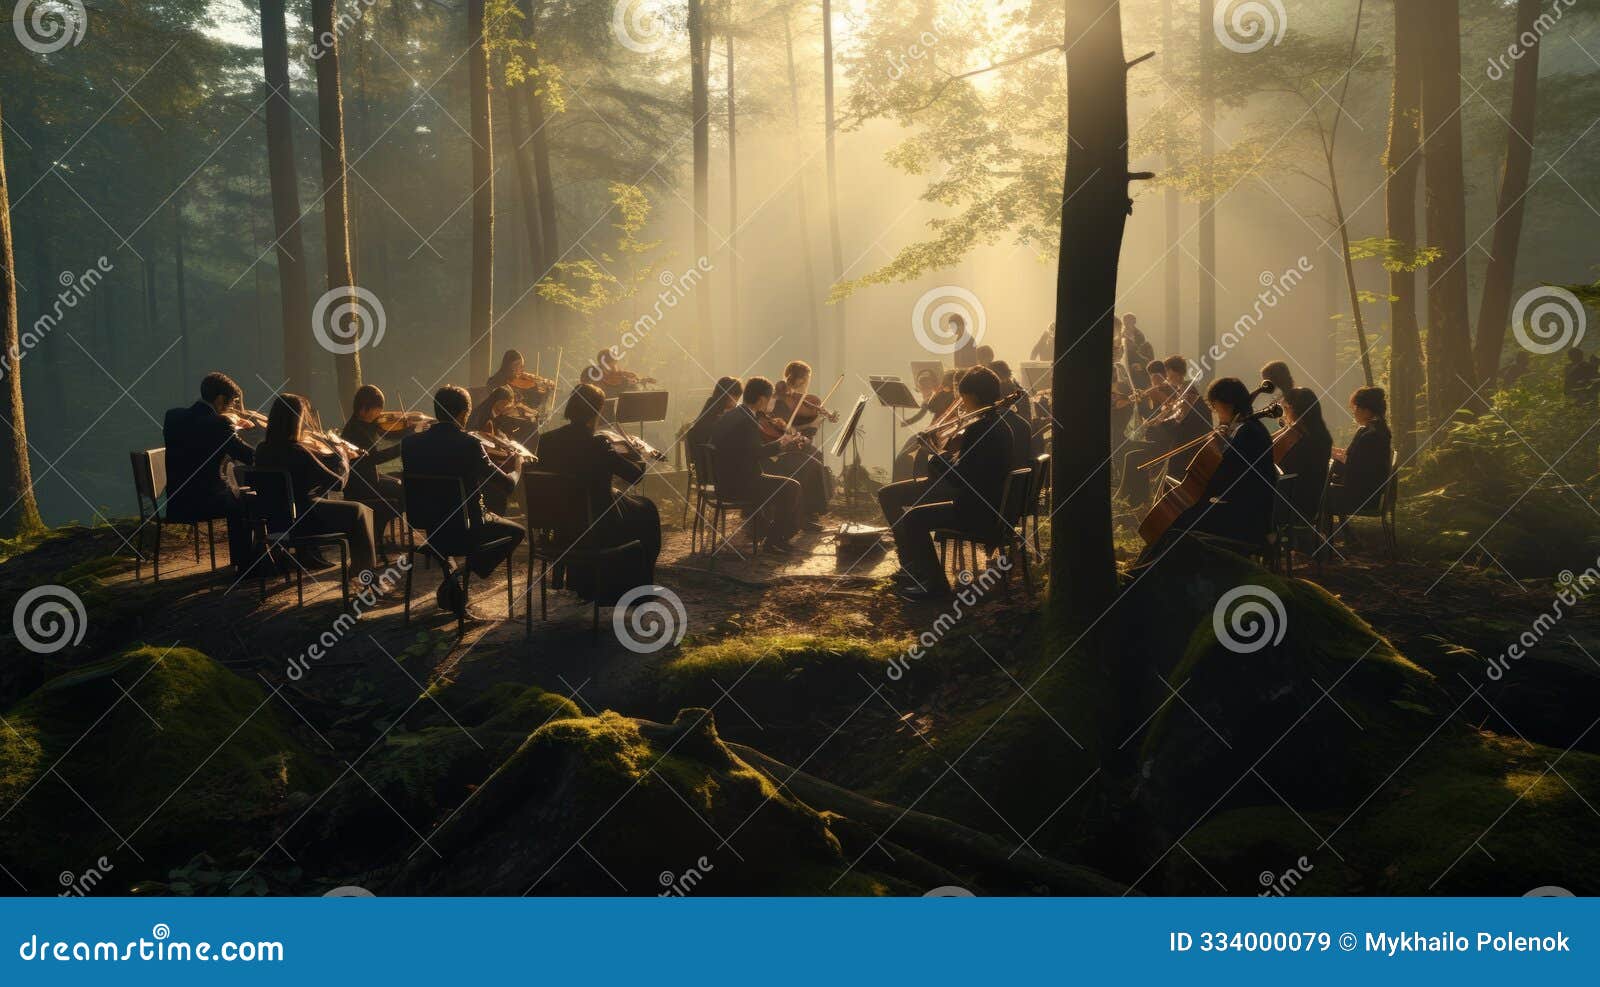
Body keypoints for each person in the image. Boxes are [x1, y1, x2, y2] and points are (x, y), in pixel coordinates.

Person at [890, 366, 1014, 602]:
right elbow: (970, 467)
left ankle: (934, 584)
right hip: (992, 505)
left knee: (913, 518)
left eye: (963, 397)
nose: (962, 404)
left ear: (973, 397)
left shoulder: (979, 429)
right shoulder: (999, 424)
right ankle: (921, 573)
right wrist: (947, 457)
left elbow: (959, 478)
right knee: (913, 513)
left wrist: (934, 454)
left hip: (976, 510)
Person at [401, 386, 526, 617]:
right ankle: (462, 574)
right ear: (462, 413)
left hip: (431, 529)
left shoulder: (410, 444)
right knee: (517, 532)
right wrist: (517, 465)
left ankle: (453, 579)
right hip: (467, 530)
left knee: (454, 524)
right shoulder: (469, 444)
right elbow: (507, 486)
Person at [537, 383, 662, 603]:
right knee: (647, 509)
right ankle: (634, 590)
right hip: (596, 523)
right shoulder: (598, 442)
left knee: (625, 504)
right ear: (596, 410)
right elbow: (634, 476)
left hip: (561, 527)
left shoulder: (547, 441)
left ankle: (582, 581)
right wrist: (636, 452)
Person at [252, 393, 379, 575]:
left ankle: (362, 572)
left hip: (274, 522)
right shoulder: (299, 452)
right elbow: (339, 483)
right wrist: (343, 454)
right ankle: (365, 575)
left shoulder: (262, 450)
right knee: (359, 511)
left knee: (362, 511)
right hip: (304, 521)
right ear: (296, 421)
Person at [1160, 377, 1276, 548]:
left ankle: (1172, 569)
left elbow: (1224, 480)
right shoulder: (1253, 428)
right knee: (1179, 510)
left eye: (1214, 406)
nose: (1215, 411)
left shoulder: (1247, 434)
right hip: (1248, 511)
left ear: (1225, 404)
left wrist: (1196, 489)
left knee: (1177, 518)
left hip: (1243, 519)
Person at [161, 372, 257, 570]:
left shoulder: (173, 417)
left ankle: (246, 561)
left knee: (239, 496)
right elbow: (248, 456)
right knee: (248, 501)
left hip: (178, 501)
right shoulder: (221, 424)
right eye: (232, 403)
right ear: (220, 399)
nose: (233, 409)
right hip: (205, 501)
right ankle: (247, 564)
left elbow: (201, 437)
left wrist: (229, 421)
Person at [707, 376, 807, 555]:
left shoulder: (732, 415)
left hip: (723, 481)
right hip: (741, 485)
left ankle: (771, 534)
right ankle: (775, 540)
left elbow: (745, 451)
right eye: (768, 399)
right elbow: (757, 453)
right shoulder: (748, 421)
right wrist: (781, 444)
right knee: (792, 487)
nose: (768, 403)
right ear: (761, 399)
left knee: (784, 484)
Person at [339, 384, 406, 543]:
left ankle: (377, 535)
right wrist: (402, 447)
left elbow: (390, 433)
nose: (380, 414)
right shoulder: (355, 431)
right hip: (361, 486)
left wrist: (407, 430)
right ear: (363, 409)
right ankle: (375, 536)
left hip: (368, 479)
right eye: (377, 409)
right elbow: (375, 458)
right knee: (400, 492)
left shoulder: (364, 424)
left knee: (400, 483)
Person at [1326, 385, 1393, 529]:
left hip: (1361, 497)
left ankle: (1321, 542)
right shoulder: (1379, 430)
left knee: (1317, 493)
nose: (1354, 412)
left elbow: (1351, 467)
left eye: (1356, 408)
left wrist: (1328, 456)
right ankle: (1347, 537)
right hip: (1369, 492)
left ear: (1367, 410)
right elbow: (1356, 459)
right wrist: (1333, 453)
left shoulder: (1370, 435)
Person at [1276, 387, 1334, 532]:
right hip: (1311, 502)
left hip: (1293, 506)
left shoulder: (1295, 435)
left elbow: (1268, 458)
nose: (1284, 414)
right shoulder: (1321, 434)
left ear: (1293, 409)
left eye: (1285, 409)